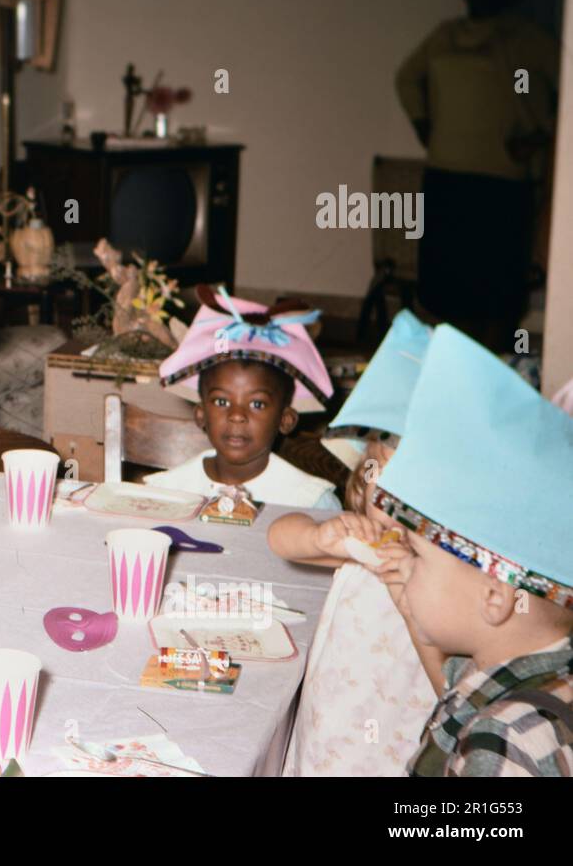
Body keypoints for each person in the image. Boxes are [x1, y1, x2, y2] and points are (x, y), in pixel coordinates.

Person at [375, 325, 573, 776]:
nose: (405, 563)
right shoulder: (513, 670)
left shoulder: (502, 741)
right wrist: (412, 609)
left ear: (495, 597)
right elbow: (451, 698)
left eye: (419, 557)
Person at [268, 310, 441, 775]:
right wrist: (320, 533)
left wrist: (410, 599)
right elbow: (281, 539)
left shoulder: (447, 578)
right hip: (325, 735)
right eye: (380, 476)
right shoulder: (362, 544)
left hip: (395, 747)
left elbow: (454, 689)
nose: (393, 500)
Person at [395, 0, 558, 352]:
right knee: (446, 289)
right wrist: (423, 123)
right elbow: (407, 78)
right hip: (448, 177)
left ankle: (493, 376)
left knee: (496, 296)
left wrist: (542, 137)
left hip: (501, 185)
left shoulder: (528, 39)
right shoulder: (446, 35)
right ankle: (449, 373)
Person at [143, 286, 339, 509]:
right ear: (201, 415)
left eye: (257, 404)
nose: (237, 415)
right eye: (221, 402)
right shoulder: (166, 492)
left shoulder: (311, 503)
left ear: (286, 420)